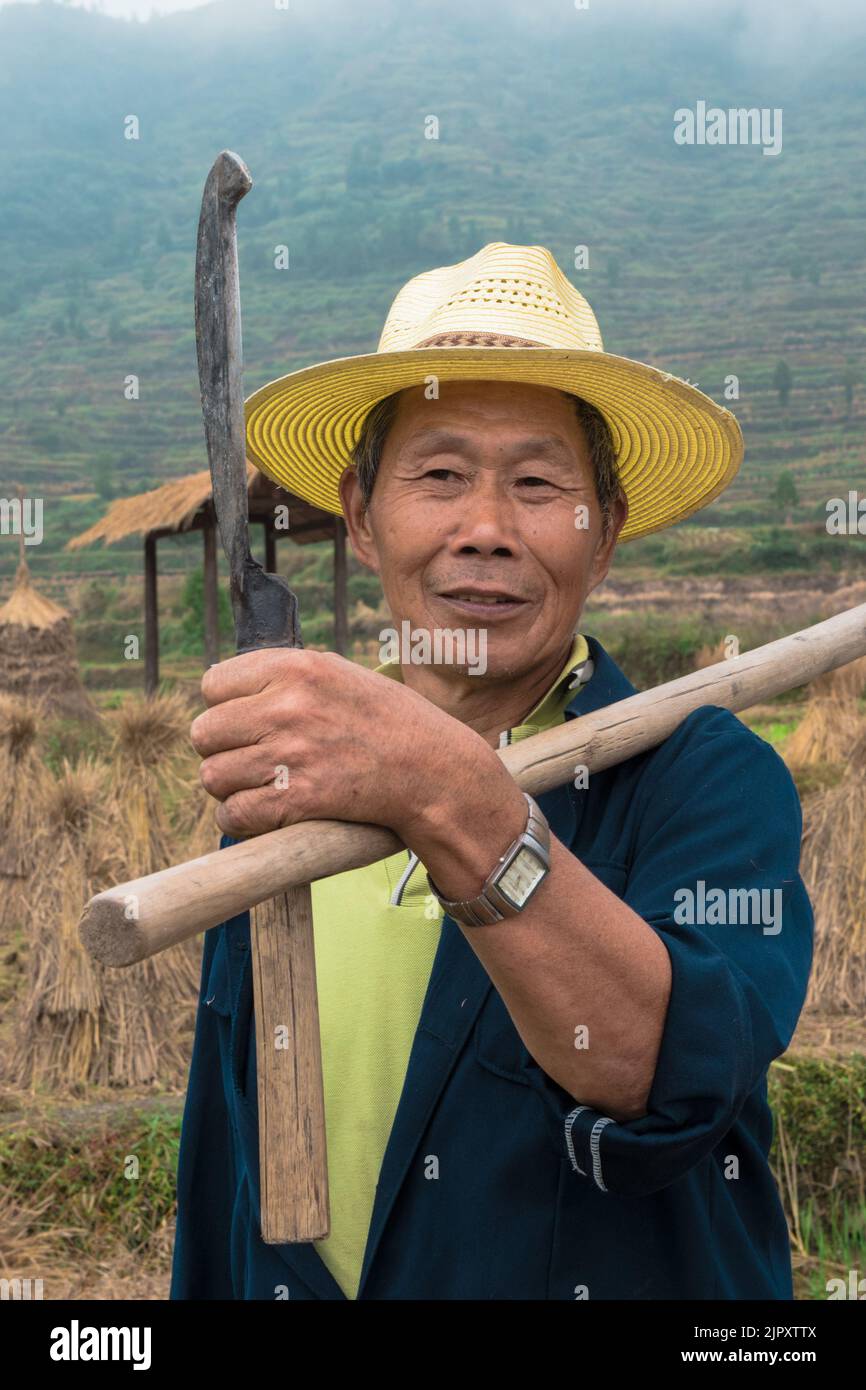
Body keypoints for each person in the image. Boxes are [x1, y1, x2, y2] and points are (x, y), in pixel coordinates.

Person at [170, 242, 813, 1301]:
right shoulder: (286, 792)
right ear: (363, 519)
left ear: (601, 534)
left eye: (536, 484)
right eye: (438, 476)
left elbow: (653, 1072)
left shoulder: (706, 782)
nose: (485, 530)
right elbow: (221, 1162)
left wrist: (449, 792)